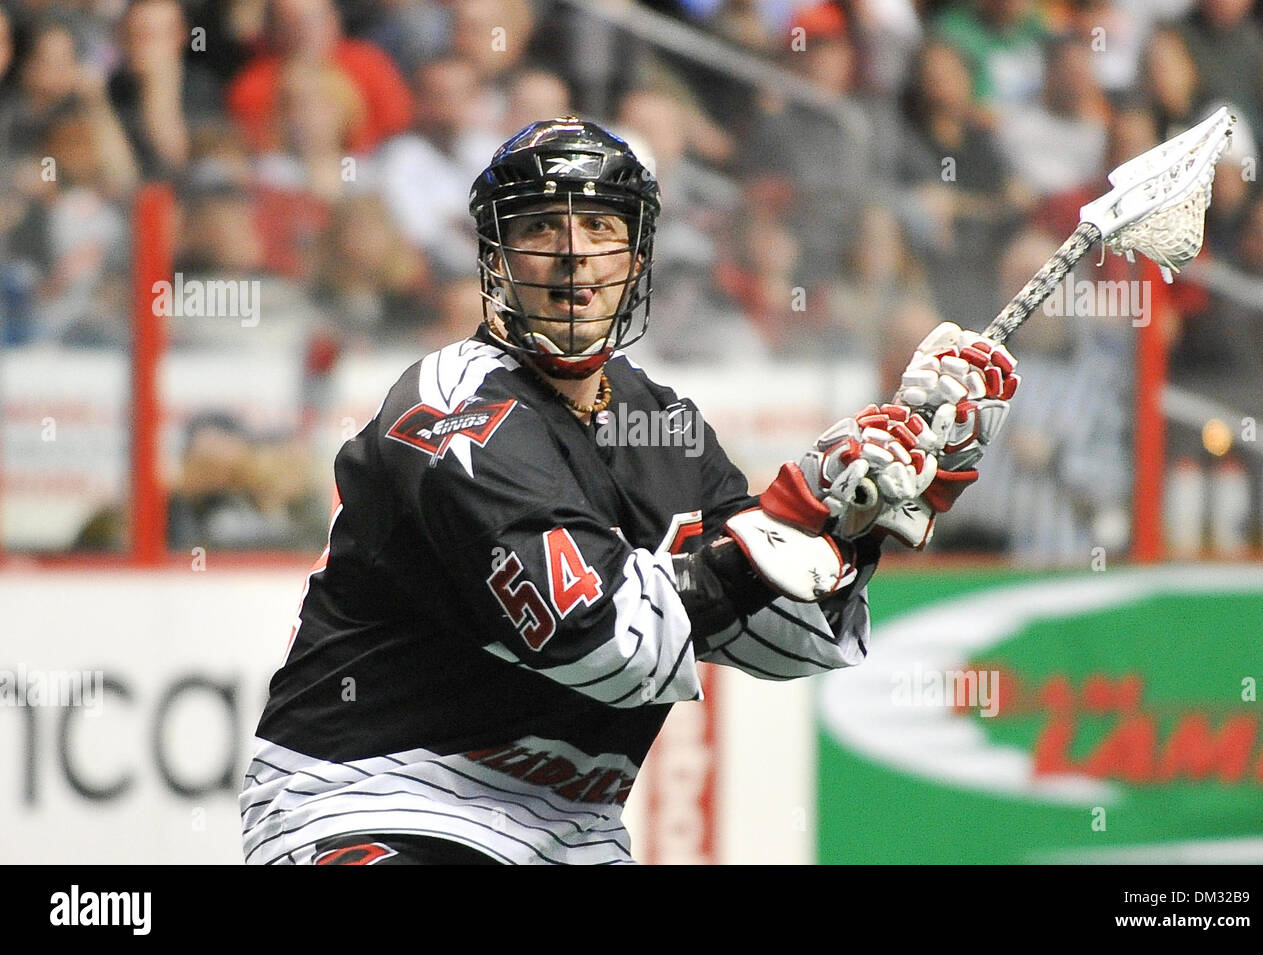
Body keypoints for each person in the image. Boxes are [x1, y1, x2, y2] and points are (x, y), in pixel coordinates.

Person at [239, 118, 1020, 865]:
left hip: (572, 835)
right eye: (541, 227)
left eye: (602, 229)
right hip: (375, 798)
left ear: (638, 257)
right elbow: (601, 640)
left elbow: (787, 638)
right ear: (496, 256)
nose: (574, 254)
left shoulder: (664, 424)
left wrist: (859, 512)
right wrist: (787, 519)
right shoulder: (456, 406)